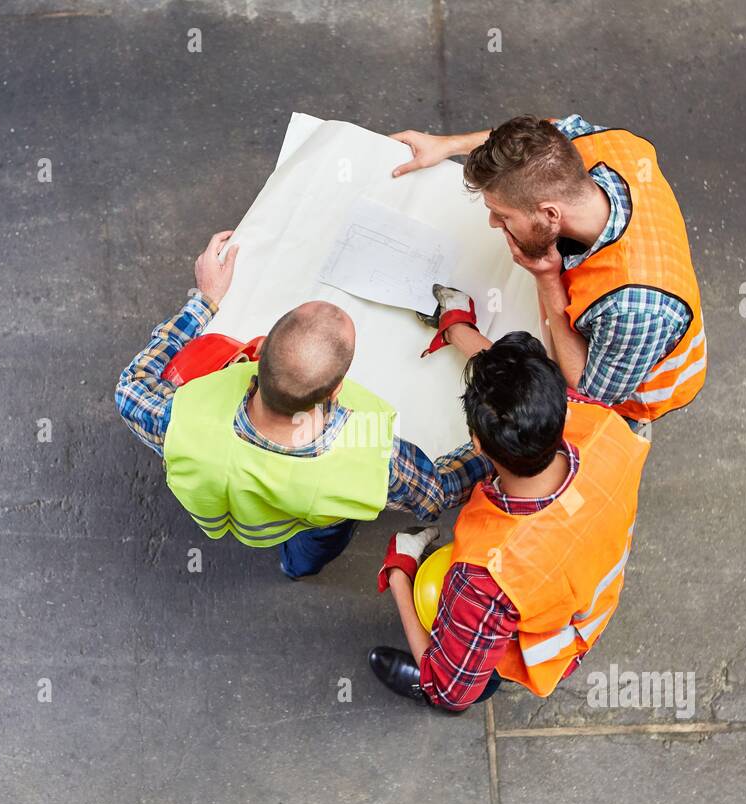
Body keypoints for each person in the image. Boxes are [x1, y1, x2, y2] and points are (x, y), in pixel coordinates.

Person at [115, 230, 492, 579]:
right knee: (312, 547)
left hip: (226, 513)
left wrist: (205, 300)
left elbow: (131, 386)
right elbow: (437, 492)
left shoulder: (178, 419)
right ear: (337, 390)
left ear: (258, 351)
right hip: (313, 521)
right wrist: (496, 442)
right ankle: (295, 567)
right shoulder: (374, 454)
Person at [371, 329, 650, 711]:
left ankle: (455, 674)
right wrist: (461, 333)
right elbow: (537, 394)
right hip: (588, 596)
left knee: (455, 682)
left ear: (478, 445)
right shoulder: (604, 427)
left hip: (542, 647)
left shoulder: (485, 578)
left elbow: (452, 692)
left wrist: (401, 570)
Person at [391, 114, 705, 425]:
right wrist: (448, 145)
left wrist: (547, 279)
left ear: (550, 214)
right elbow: (541, 139)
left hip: (632, 393)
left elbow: (585, 395)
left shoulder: (634, 308)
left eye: (503, 216)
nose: (493, 223)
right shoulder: (612, 146)